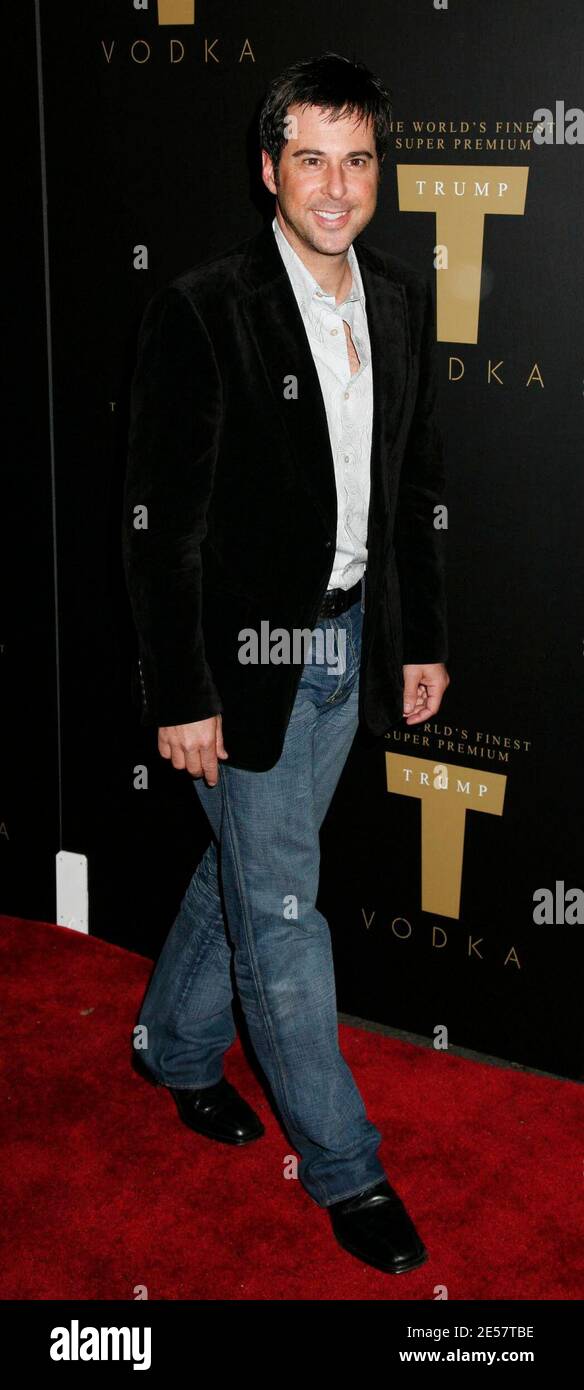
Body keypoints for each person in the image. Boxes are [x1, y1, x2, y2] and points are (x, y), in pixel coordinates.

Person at [122, 51, 450, 1276]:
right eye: (307, 158)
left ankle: (171, 1042)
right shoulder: (204, 307)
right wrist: (185, 696)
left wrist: (419, 641)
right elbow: (161, 527)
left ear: (378, 171)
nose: (333, 185)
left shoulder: (402, 299)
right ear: (268, 170)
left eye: (355, 159)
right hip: (244, 664)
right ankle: (345, 1167)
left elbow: (416, 491)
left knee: (251, 874)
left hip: (348, 640)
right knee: (282, 910)